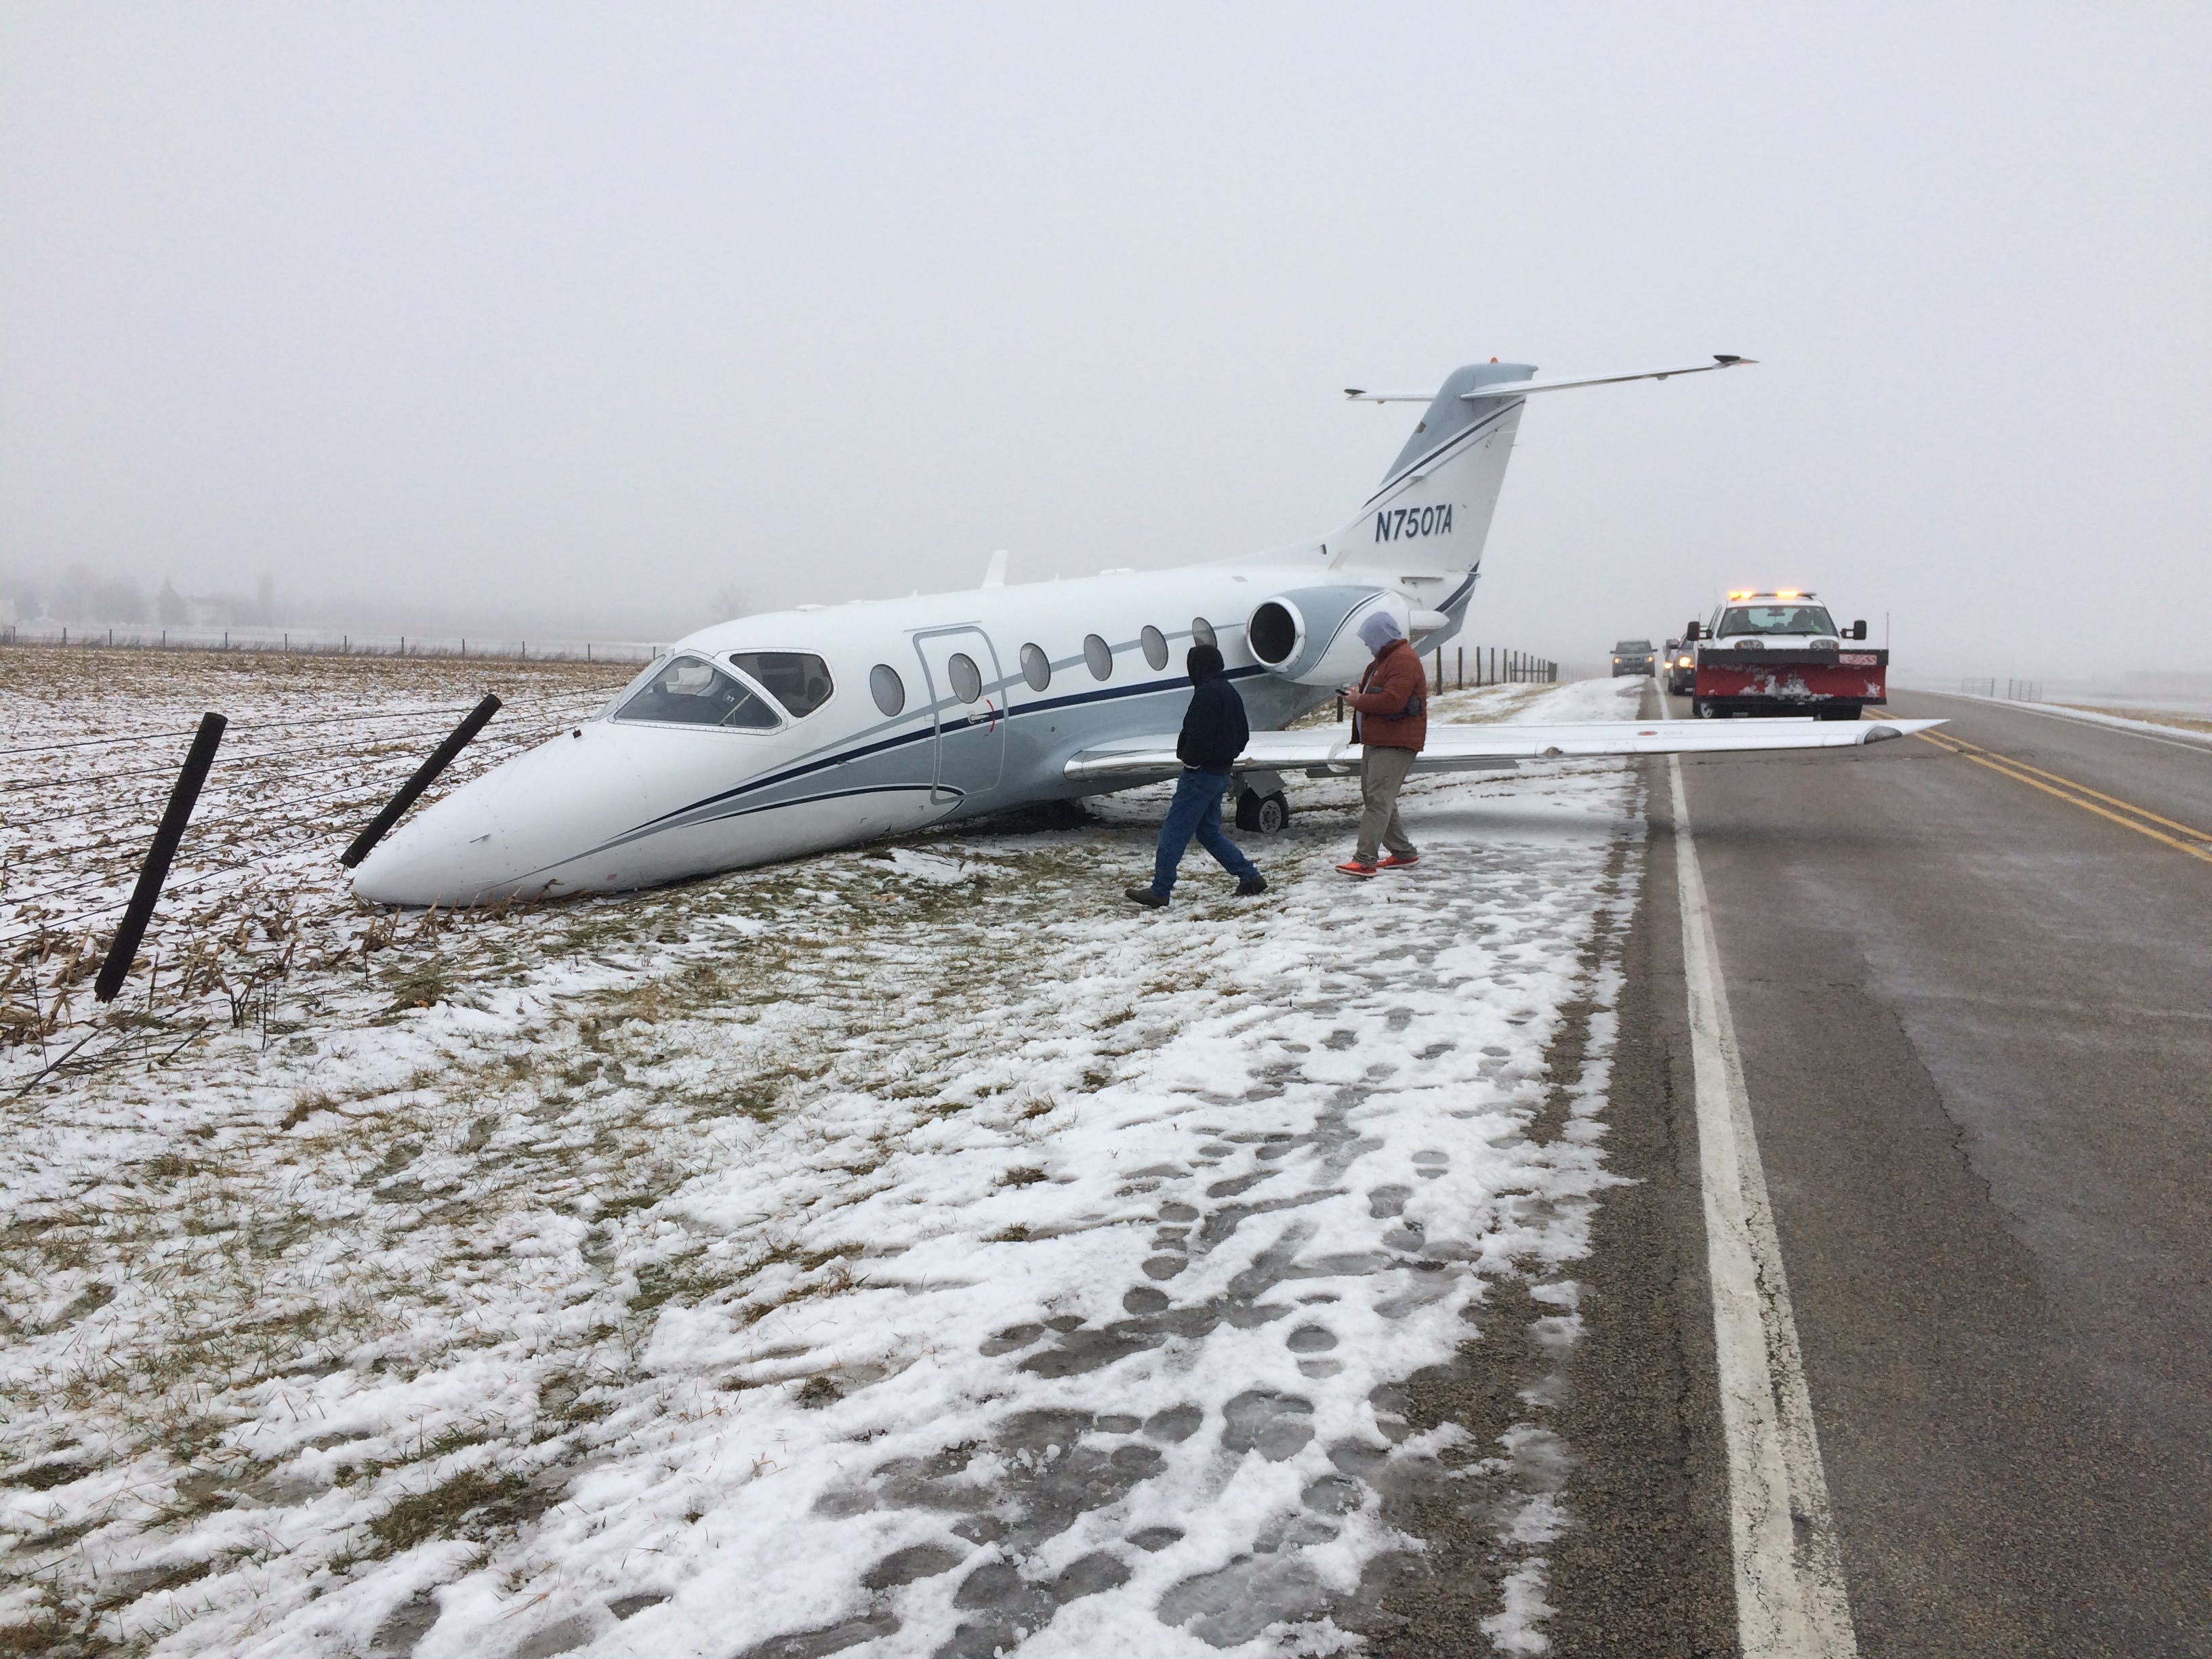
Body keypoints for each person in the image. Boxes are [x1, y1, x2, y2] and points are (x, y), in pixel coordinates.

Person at [1124, 642, 1267, 907]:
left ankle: (1160, 890)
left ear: (1198, 668)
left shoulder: (1205, 695)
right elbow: (1243, 735)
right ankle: (1250, 876)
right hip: (1220, 773)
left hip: (1199, 775)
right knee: (1208, 833)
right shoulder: (1230, 691)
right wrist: (1226, 756)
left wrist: (1190, 760)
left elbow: (1198, 737)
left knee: (1173, 832)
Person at [1337, 610, 1427, 876]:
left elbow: (1393, 702)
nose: (1367, 645)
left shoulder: (1403, 660)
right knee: (1378, 798)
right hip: (1378, 740)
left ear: (1380, 635)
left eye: (1368, 639)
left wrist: (1358, 701)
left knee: (1378, 800)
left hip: (1396, 742)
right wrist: (1359, 695)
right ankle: (1403, 854)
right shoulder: (1383, 661)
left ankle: (1364, 860)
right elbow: (1379, 695)